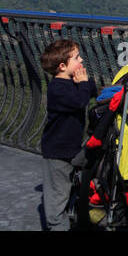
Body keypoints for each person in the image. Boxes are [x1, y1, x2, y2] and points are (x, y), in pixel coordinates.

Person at [41, 38, 96, 231]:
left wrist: (84, 81)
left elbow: (92, 90)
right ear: (63, 66)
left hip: (71, 149)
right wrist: (82, 83)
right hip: (57, 152)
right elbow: (80, 101)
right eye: (77, 58)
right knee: (56, 200)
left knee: (68, 189)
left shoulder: (72, 83)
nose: (81, 61)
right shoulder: (58, 88)